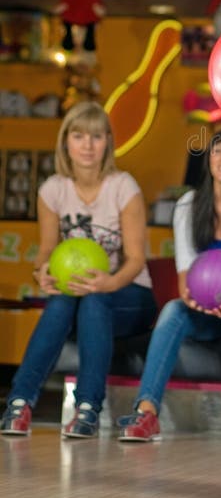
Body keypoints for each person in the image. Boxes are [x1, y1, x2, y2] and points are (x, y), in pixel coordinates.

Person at [117, 125, 221, 447]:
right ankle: (146, 412)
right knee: (172, 310)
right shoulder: (188, 206)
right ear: (208, 159)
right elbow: (186, 272)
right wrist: (192, 299)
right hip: (207, 308)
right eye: (218, 150)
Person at [0, 101, 157, 438]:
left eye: (97, 137)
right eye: (79, 135)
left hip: (130, 295)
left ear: (107, 143)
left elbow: (135, 259)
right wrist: (41, 273)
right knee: (61, 301)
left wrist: (109, 282)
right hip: (80, 294)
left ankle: (87, 407)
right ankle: (20, 403)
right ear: (66, 142)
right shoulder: (53, 190)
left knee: (94, 299)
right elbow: (45, 250)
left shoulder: (123, 186)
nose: (87, 145)